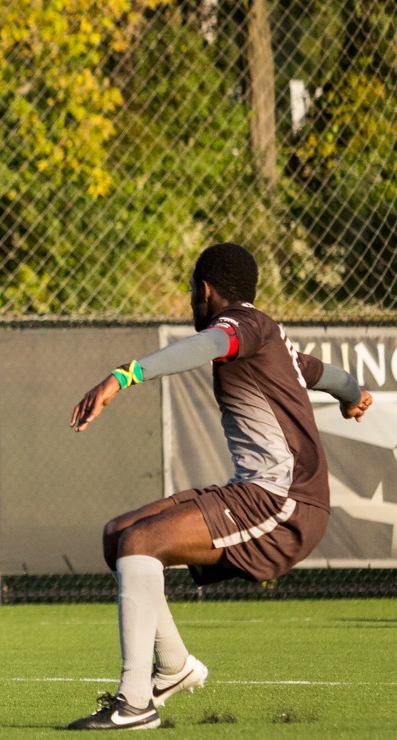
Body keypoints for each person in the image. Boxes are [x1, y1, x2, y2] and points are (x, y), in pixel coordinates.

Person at [66, 242, 372, 730]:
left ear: (205, 290)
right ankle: (172, 669)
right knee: (119, 535)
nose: (191, 298)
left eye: (192, 289)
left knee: (141, 543)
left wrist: (124, 376)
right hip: (258, 492)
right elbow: (330, 376)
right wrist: (353, 398)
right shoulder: (272, 338)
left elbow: (208, 345)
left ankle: (134, 703)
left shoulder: (240, 327)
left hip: (282, 503)